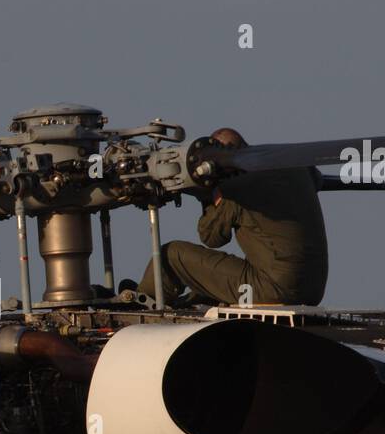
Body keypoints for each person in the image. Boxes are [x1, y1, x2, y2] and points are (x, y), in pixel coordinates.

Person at [134, 127, 329, 307]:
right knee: (207, 287)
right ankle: (183, 302)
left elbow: (211, 237)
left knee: (172, 255)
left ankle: (140, 303)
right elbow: (317, 177)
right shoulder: (296, 167)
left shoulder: (234, 188)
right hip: (312, 291)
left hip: (272, 290)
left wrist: (210, 195)